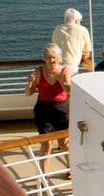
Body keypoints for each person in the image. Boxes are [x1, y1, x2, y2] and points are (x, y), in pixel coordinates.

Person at [25, 43, 71, 173]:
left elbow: (69, 91)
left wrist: (63, 83)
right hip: (43, 110)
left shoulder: (63, 71)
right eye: (49, 57)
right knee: (46, 144)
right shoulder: (38, 72)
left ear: (58, 58)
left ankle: (70, 169)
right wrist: (30, 83)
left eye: (54, 57)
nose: (51, 60)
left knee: (63, 142)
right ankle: (43, 175)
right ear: (44, 58)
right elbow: (28, 93)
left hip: (61, 109)